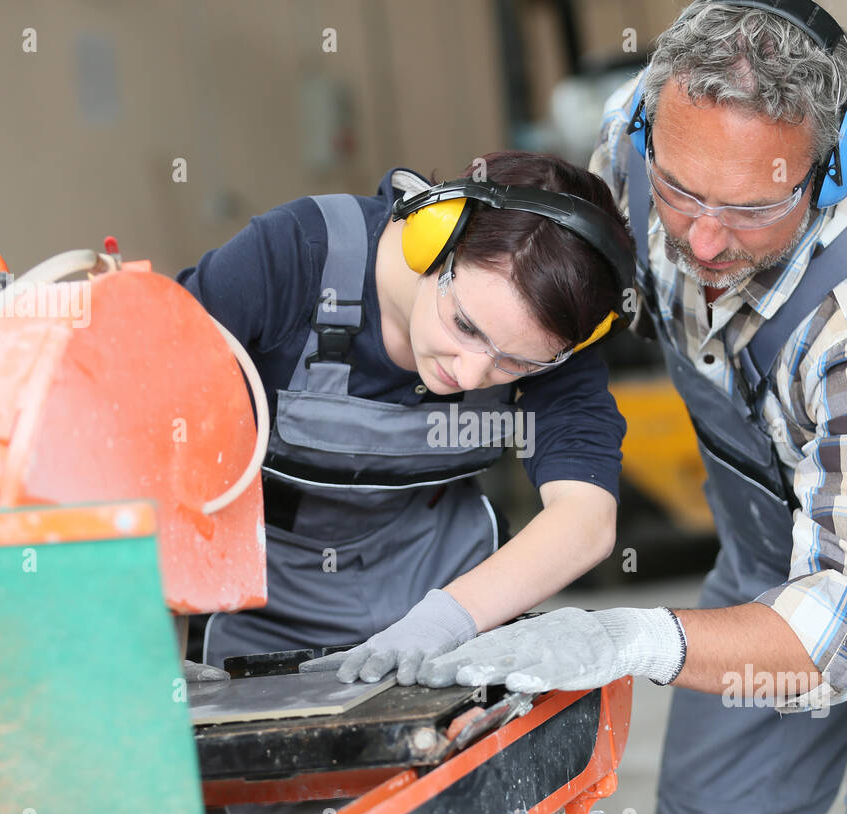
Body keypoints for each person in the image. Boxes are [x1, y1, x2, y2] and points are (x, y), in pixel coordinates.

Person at [420, 0, 847, 814]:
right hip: (766, 551)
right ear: (647, 125)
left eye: (753, 207)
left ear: (827, 173)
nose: (705, 240)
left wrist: (629, 637)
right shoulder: (634, 146)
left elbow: (844, 630)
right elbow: (570, 328)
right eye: (681, 193)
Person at [175, 151, 633, 686]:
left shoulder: (548, 342)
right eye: (465, 326)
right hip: (259, 606)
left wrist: (442, 623)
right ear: (433, 241)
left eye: (516, 363)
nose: (471, 373)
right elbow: (134, 437)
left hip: (449, 610)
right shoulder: (293, 257)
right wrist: (146, 640)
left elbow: (586, 517)